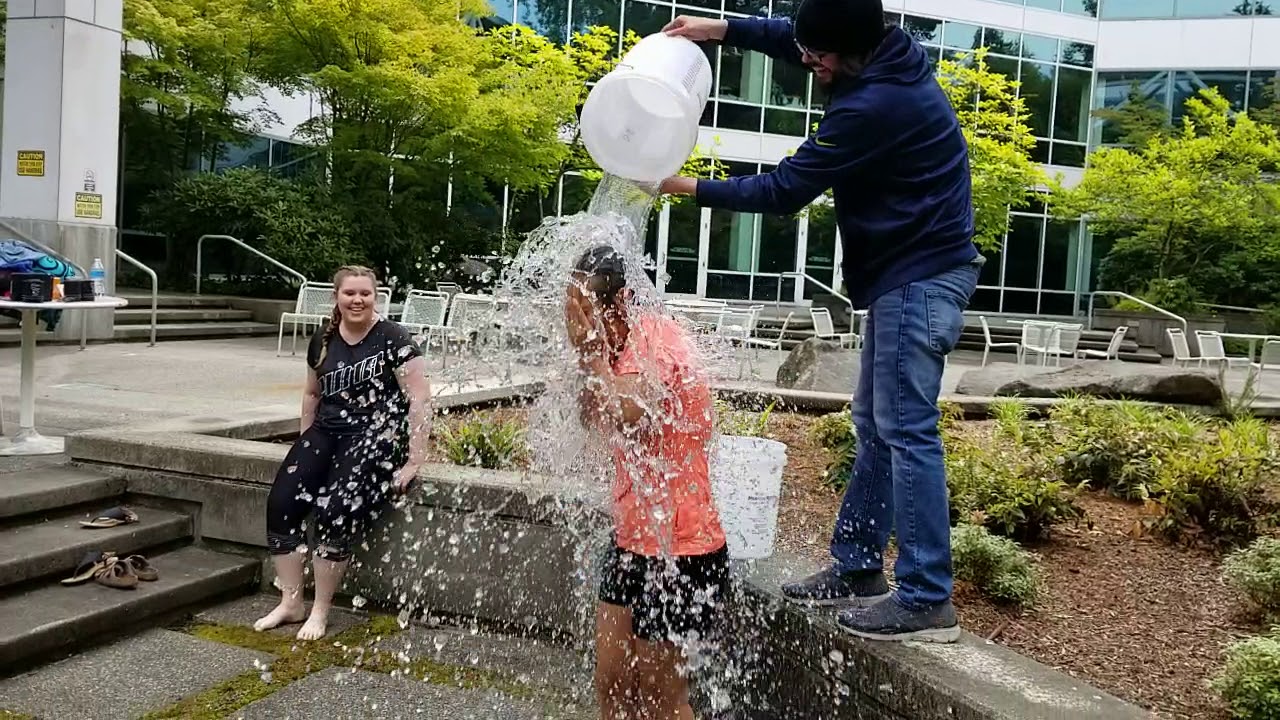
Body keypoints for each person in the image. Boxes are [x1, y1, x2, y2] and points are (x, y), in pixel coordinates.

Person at [660, 0, 981, 643]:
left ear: (849, 54)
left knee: (905, 430)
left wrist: (682, 186)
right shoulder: (876, 51)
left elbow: (783, 191)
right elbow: (794, 38)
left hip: (918, 279)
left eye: (819, 55)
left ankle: (924, 596)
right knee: (877, 425)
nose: (808, 61)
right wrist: (717, 29)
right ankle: (859, 566)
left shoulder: (876, 107)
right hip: (909, 275)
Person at [565, 245, 728, 720]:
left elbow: (629, 412)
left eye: (582, 307)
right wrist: (591, 359)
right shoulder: (617, 347)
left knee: (662, 703)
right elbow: (592, 420)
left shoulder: (655, 337)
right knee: (612, 687)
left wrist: (591, 353)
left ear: (621, 301)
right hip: (631, 539)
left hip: (683, 550)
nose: (573, 319)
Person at [254, 265, 433, 640]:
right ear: (336, 297)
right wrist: (306, 446)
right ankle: (291, 602)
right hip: (326, 431)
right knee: (283, 501)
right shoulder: (323, 339)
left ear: (375, 297)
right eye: (349, 293)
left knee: (337, 510)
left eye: (364, 293)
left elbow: (419, 399)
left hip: (374, 436)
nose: (357, 300)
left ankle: (320, 610)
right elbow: (312, 394)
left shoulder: (394, 338)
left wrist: (415, 458)